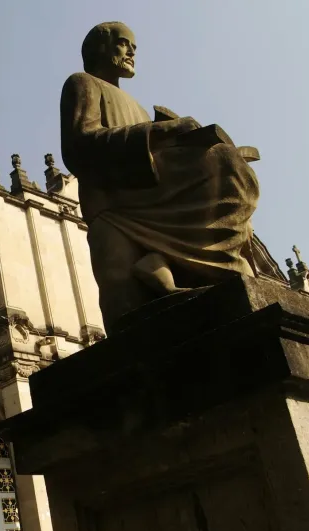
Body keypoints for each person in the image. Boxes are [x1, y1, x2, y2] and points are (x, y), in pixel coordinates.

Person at [61, 21, 260, 325]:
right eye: (124, 43)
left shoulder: (138, 109)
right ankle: (167, 268)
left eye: (134, 47)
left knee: (231, 167)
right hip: (116, 204)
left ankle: (187, 263)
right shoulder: (82, 83)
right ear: (101, 48)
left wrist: (180, 139)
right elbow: (79, 147)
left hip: (154, 194)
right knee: (128, 317)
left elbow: (154, 150)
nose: (132, 51)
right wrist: (161, 131)